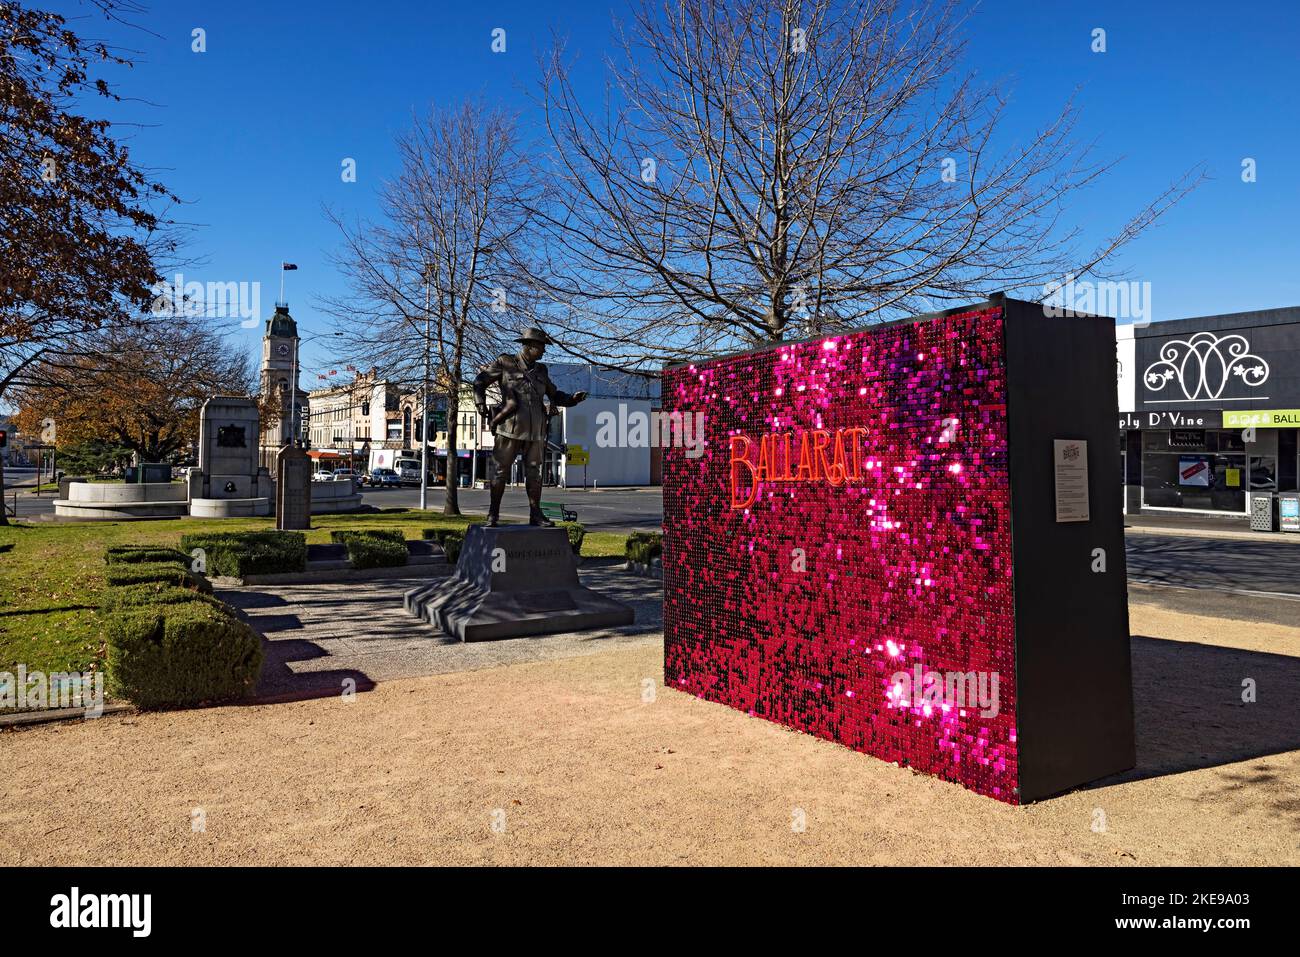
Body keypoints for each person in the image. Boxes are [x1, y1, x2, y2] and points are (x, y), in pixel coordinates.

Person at [472, 327, 587, 526]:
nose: (543, 351)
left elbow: (554, 394)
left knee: (535, 474)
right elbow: (479, 382)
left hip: (535, 432)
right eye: (541, 347)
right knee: (500, 472)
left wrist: (571, 400)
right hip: (509, 429)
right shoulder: (505, 363)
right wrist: (480, 403)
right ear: (529, 346)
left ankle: (535, 514)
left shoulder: (541, 370)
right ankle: (493, 514)